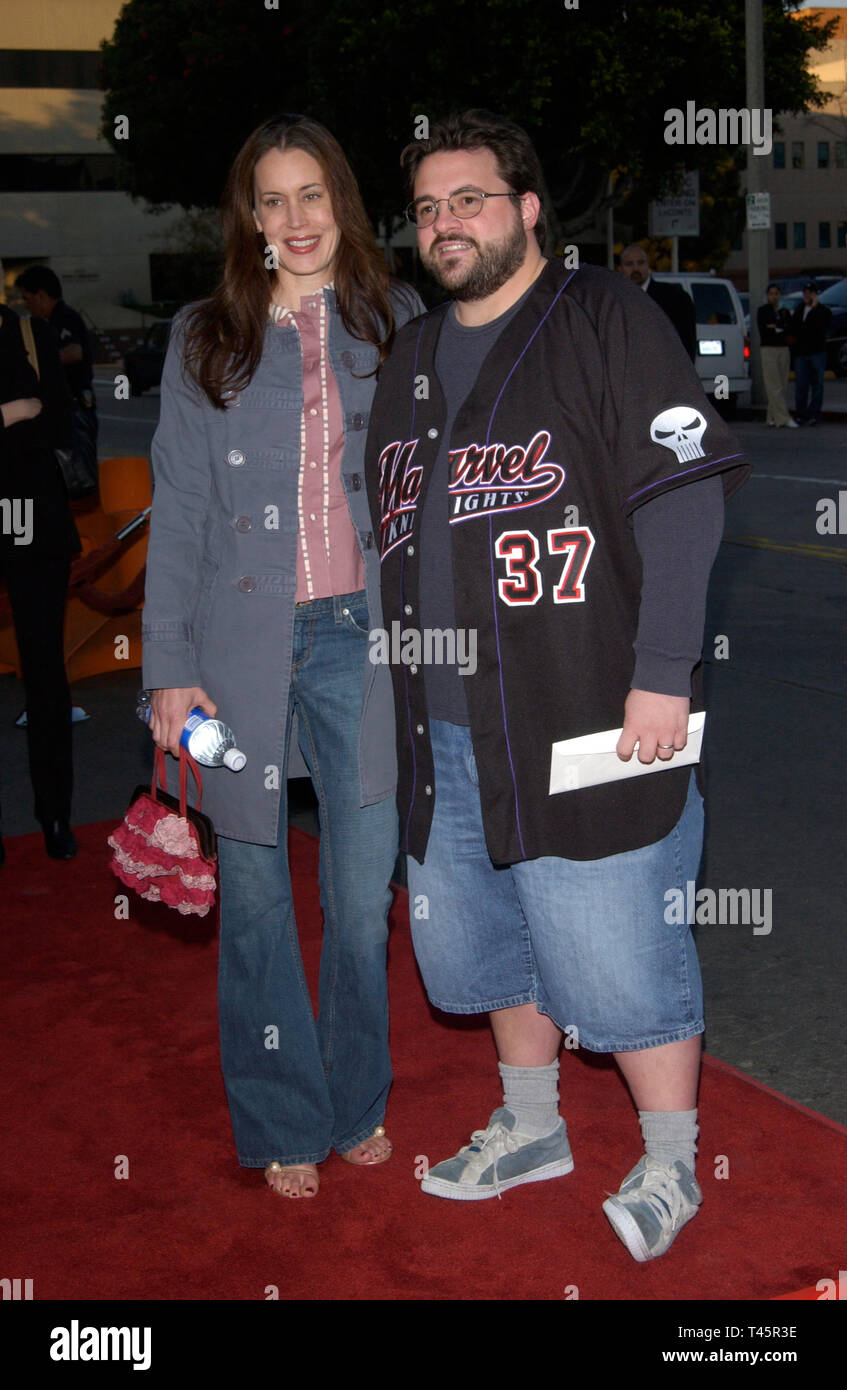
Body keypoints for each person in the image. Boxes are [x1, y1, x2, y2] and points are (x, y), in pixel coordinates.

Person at [366, 110, 750, 1261]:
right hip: (445, 726)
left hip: (587, 711)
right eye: (429, 207)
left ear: (529, 209)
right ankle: (532, 1128)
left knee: (617, 954)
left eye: (469, 199)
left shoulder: (604, 319)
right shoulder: (410, 355)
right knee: (487, 945)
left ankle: (673, 1158)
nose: (445, 223)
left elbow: (683, 498)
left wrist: (663, 675)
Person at [141, 114, 423, 1199]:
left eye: (313, 195)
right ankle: (281, 1119)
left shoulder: (393, 320)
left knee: (361, 900)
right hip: (238, 648)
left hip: (364, 638)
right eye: (273, 200)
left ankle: (356, 1097)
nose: (295, 219)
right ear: (248, 217)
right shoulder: (204, 334)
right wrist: (168, 669)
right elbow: (183, 506)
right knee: (254, 898)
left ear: (341, 205)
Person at [0, 304, 77, 863]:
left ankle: (55, 815)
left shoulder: (31, 331)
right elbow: (32, 415)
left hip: (32, 516)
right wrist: (11, 412)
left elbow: (58, 422)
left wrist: (31, 415)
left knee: (46, 674)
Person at [16, 266, 99, 479]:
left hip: (75, 410)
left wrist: (40, 363)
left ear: (41, 295)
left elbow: (75, 351)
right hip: (67, 409)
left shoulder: (65, 317)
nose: (27, 305)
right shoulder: (50, 321)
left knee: (77, 474)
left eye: (28, 299)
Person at [618, 242, 697, 360]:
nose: (635, 268)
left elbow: (687, 344)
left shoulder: (676, 298)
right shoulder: (613, 299)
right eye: (629, 264)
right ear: (620, 268)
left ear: (648, 265)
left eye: (641, 263)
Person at [791, 280, 832, 426]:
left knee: (817, 384)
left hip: (817, 352)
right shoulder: (799, 310)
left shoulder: (823, 311)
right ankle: (801, 414)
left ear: (816, 295)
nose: (807, 295)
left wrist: (814, 309)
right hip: (802, 353)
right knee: (801, 385)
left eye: (811, 293)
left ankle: (814, 414)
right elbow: (796, 329)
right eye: (806, 293)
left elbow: (820, 328)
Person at [756, 283, 797, 428]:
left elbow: (789, 328)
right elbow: (766, 329)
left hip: (783, 348)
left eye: (776, 293)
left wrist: (778, 326)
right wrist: (778, 327)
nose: (774, 296)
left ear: (780, 295)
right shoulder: (763, 311)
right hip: (769, 349)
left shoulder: (784, 311)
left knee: (782, 384)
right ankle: (783, 418)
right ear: (767, 296)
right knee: (774, 385)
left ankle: (771, 416)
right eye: (771, 293)